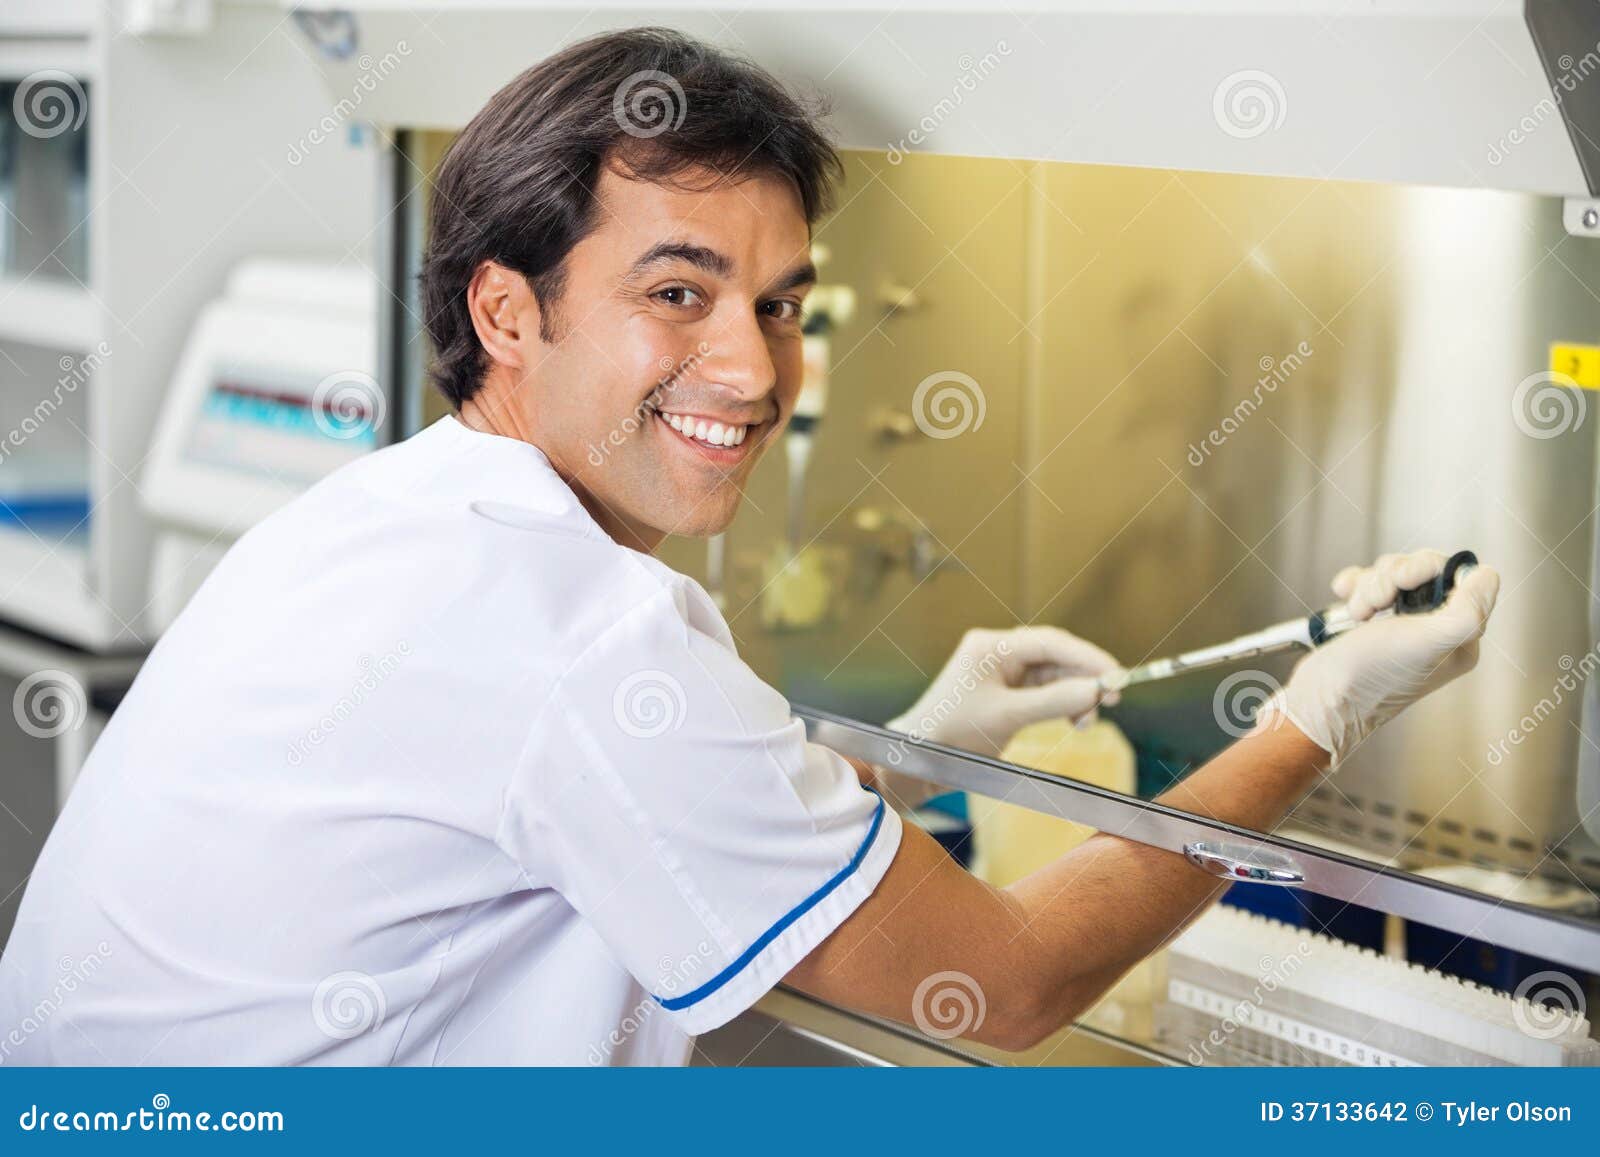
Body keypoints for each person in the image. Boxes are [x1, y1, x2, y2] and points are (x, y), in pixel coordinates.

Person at [0, 27, 1498, 1066]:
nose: (754, 366)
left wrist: (912, 750)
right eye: (677, 293)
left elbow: (615, 811)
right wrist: (1317, 720)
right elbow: (1006, 984)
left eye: (779, 304)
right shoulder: (573, 625)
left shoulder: (396, 512)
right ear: (507, 313)